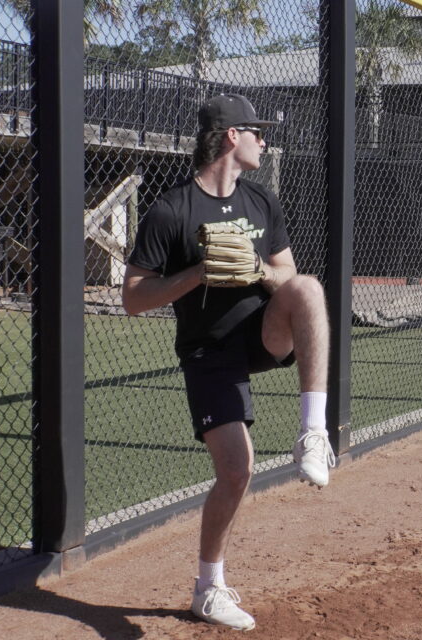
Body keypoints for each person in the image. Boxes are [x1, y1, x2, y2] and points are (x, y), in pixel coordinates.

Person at [121, 94, 336, 630]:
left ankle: (313, 432)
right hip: (208, 350)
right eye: (256, 131)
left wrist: (256, 267)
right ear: (229, 138)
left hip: (261, 334)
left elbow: (287, 279)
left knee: (308, 289)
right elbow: (132, 297)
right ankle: (208, 588)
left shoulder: (261, 202)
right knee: (236, 471)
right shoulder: (171, 210)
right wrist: (198, 272)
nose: (264, 140)